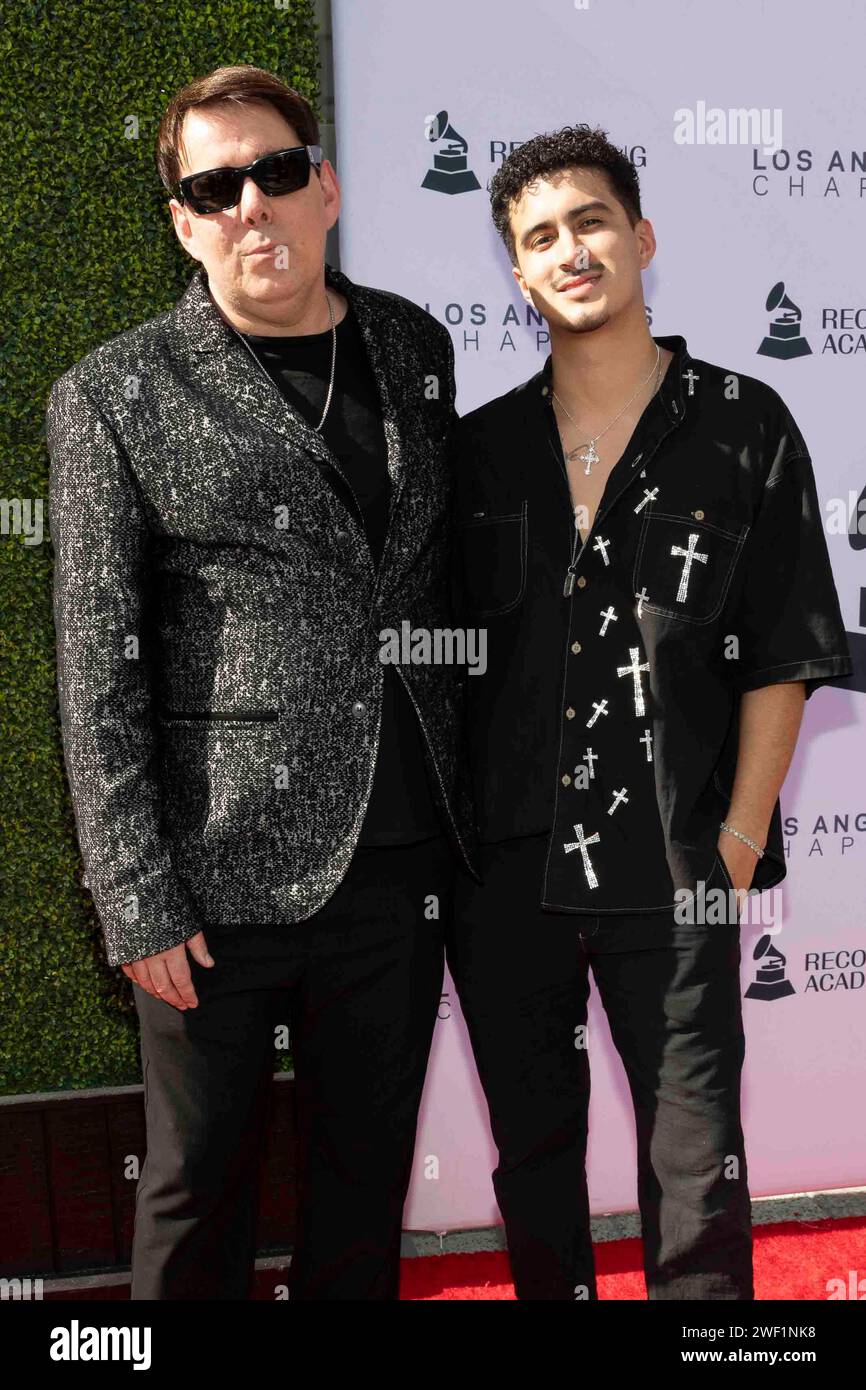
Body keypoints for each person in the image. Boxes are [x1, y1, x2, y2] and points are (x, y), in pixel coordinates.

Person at [46, 64, 476, 1300]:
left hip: (400, 866)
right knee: (194, 1198)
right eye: (214, 185)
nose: (252, 204)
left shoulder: (411, 344)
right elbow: (95, 662)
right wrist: (134, 894)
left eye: (276, 172)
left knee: (363, 1185)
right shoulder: (116, 393)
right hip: (212, 882)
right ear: (182, 220)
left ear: (324, 188)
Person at [447, 123, 853, 1300]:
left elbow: (781, 653)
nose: (568, 250)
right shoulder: (476, 454)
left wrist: (732, 839)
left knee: (694, 1164)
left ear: (640, 237)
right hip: (504, 869)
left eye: (588, 222)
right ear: (515, 275)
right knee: (531, 1153)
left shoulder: (742, 422)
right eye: (538, 237)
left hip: (677, 858)